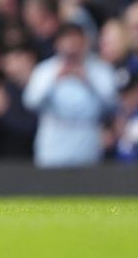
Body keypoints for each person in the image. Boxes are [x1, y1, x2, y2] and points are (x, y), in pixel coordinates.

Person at [23, 22, 118, 167]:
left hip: (87, 139)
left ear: (84, 43)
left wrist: (88, 81)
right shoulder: (45, 70)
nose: (72, 49)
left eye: (76, 43)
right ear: (58, 44)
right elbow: (30, 102)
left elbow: (113, 105)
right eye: (68, 44)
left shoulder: (100, 69)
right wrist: (54, 80)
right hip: (53, 140)